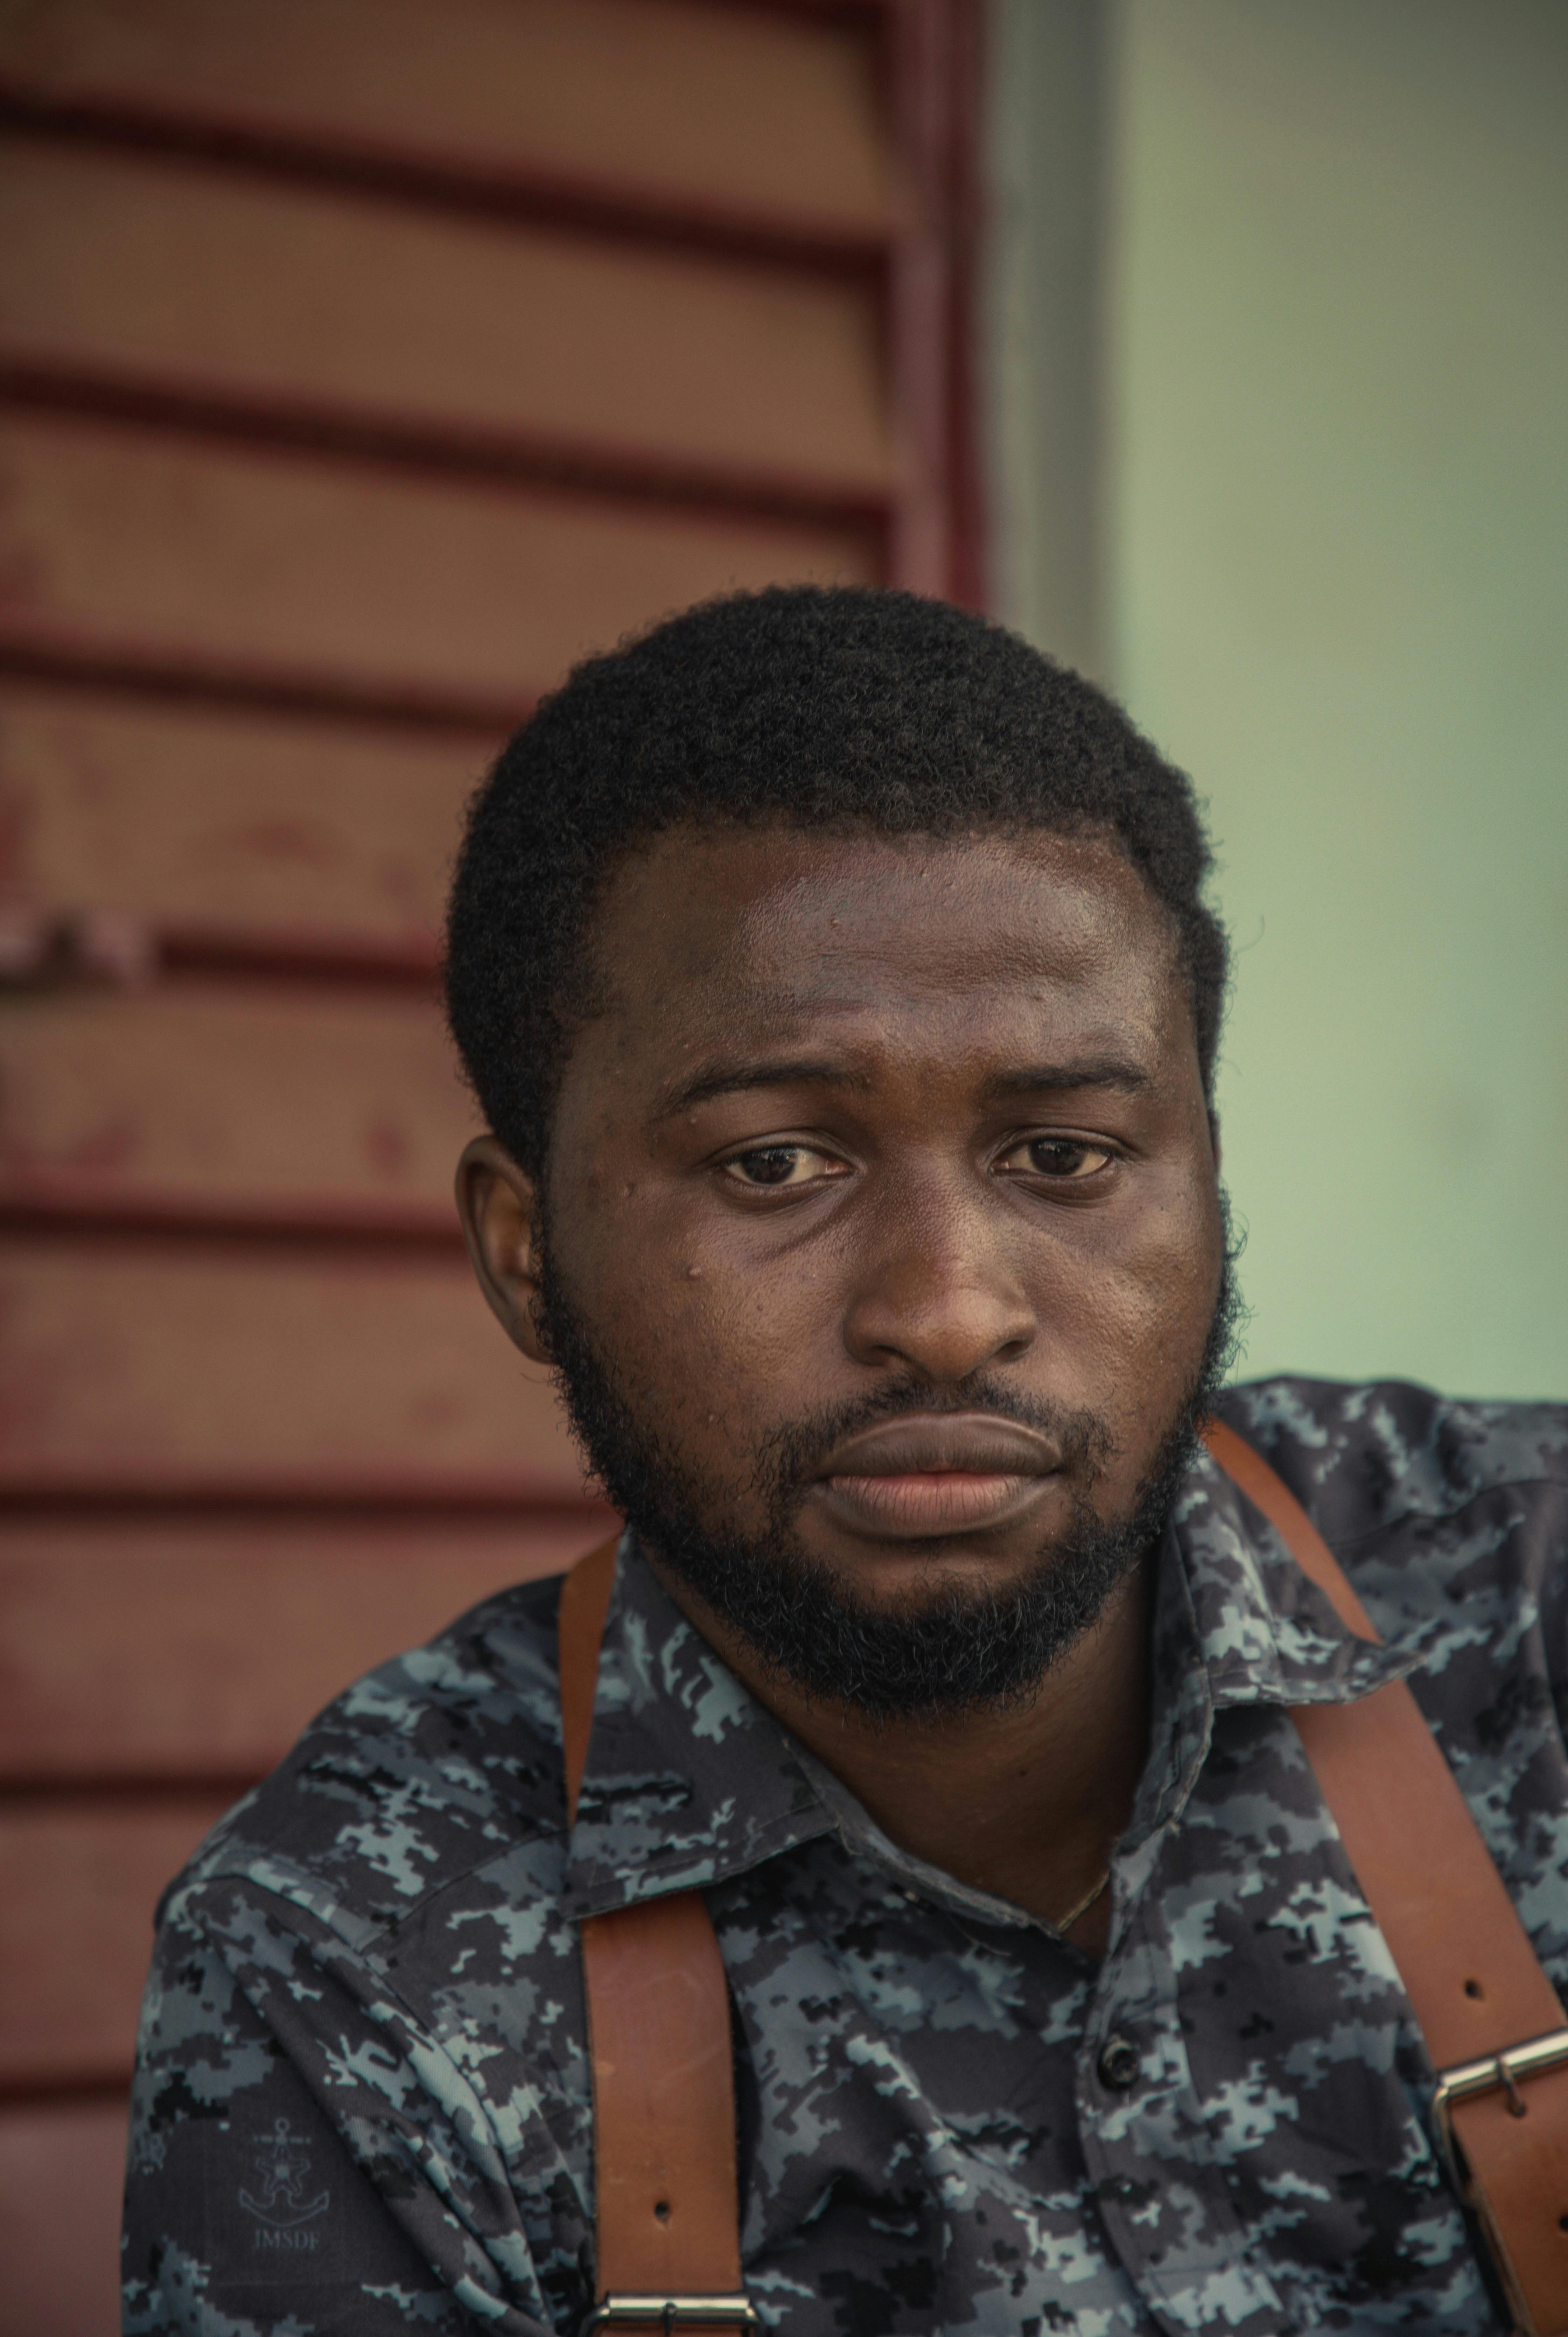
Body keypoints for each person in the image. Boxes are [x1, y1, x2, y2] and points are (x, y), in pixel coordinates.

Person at [124, 586, 1568, 2335]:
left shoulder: (1525, 1595)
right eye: (774, 1165)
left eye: (1062, 1151)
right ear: (526, 1252)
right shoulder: (351, 1955)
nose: (949, 1313)